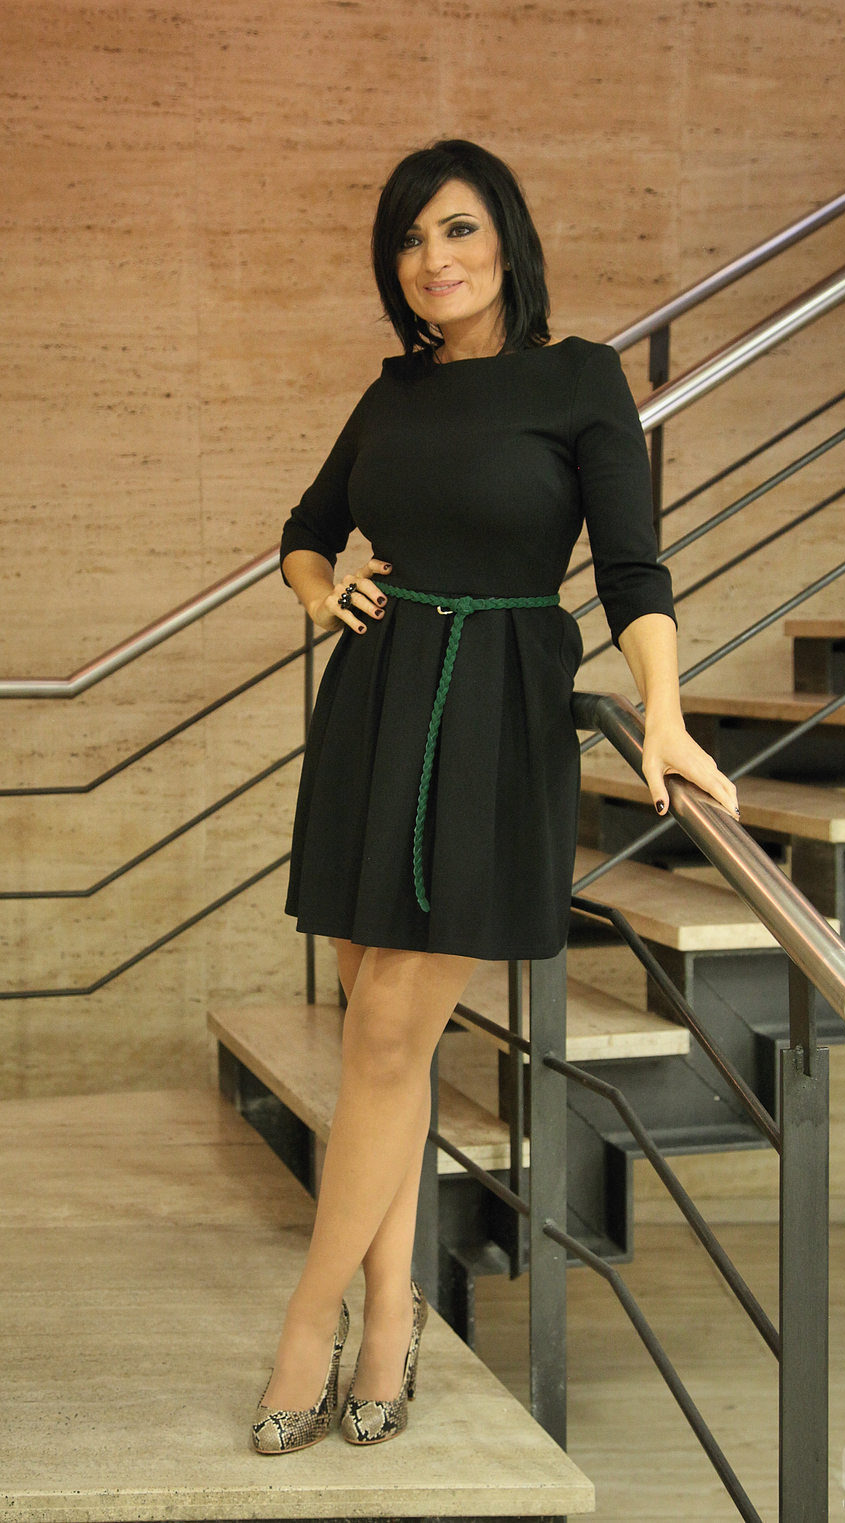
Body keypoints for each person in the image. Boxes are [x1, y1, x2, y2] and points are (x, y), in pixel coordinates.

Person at [251, 139, 739, 1455]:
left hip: (493, 715)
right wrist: (325, 593)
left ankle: (306, 1325)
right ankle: (391, 1314)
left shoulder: (581, 379)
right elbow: (304, 532)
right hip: (373, 711)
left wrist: (666, 718)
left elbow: (632, 573)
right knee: (381, 1044)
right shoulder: (394, 391)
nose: (433, 259)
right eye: (410, 240)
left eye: (457, 229)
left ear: (507, 237)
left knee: (384, 1037)